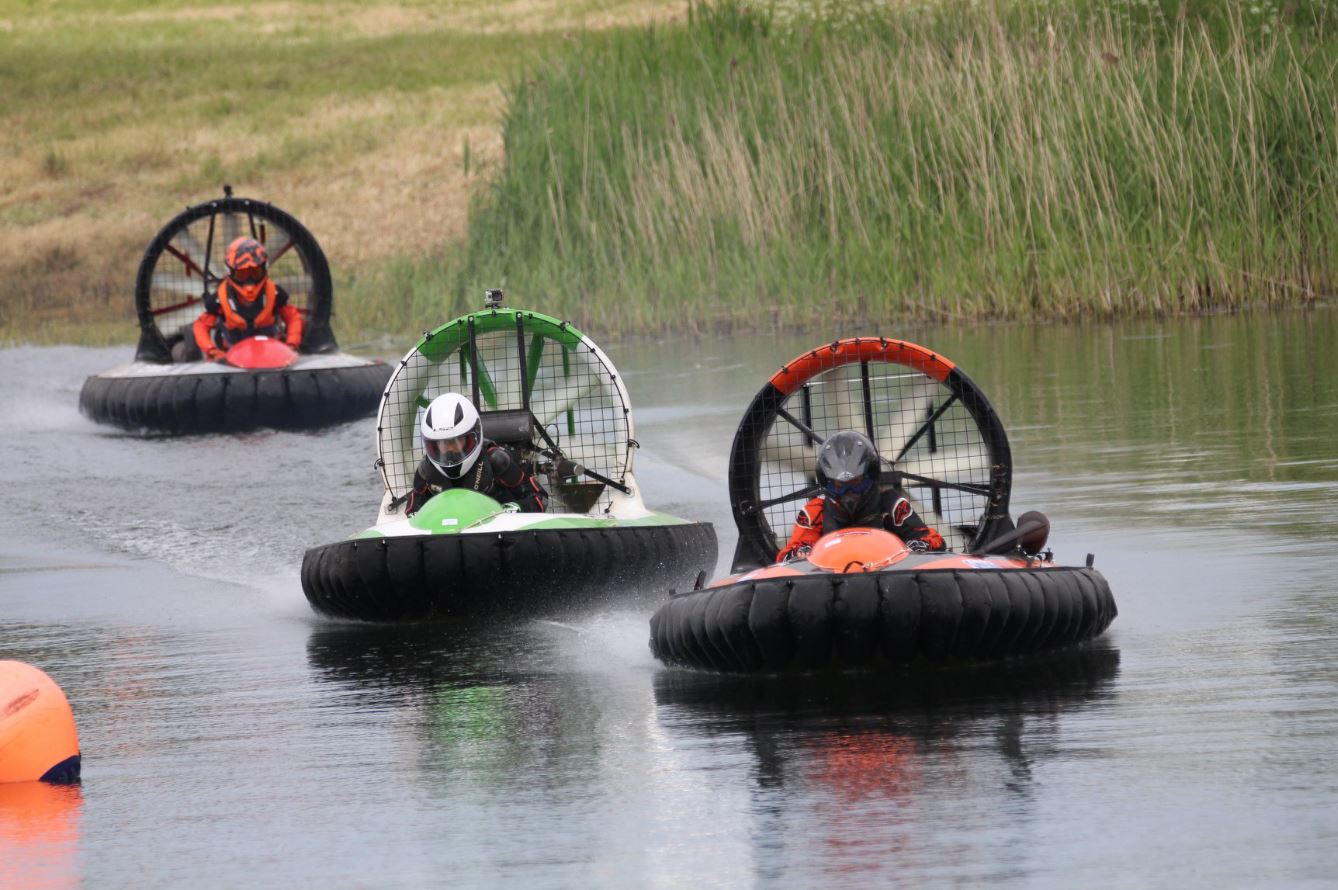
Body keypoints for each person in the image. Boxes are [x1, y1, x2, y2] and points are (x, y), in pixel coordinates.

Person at [776, 430, 945, 562]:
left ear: (869, 476)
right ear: (827, 482)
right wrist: (801, 552)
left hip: (883, 572)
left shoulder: (891, 505)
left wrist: (918, 545)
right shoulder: (816, 512)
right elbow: (789, 553)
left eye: (856, 482)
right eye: (840, 485)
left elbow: (931, 539)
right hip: (833, 577)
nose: (848, 492)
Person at [404, 392, 549, 516]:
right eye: (443, 443)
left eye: (455, 442)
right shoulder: (426, 469)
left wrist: (510, 511)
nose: (450, 450)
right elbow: (412, 510)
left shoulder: (496, 461)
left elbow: (539, 498)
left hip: (497, 530)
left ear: (474, 436)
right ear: (432, 446)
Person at [191, 236, 304, 361]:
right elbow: (201, 326)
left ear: (264, 269)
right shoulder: (220, 300)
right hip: (231, 358)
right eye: (242, 275)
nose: (249, 284)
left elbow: (293, 318)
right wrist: (212, 350)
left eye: (255, 273)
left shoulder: (275, 294)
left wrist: (291, 344)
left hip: (272, 355)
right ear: (230, 272)